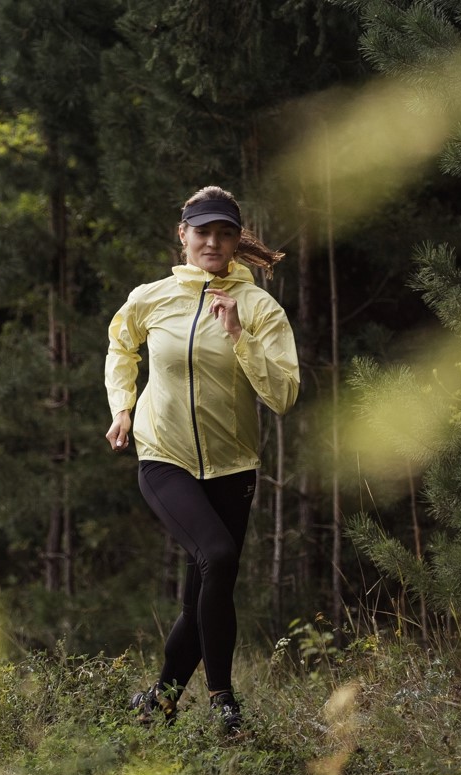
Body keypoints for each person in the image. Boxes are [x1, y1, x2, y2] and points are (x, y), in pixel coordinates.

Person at [103, 185, 300, 735]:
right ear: (183, 235)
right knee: (217, 555)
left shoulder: (260, 307)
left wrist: (239, 335)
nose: (213, 241)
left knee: (204, 587)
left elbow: (283, 395)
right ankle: (223, 700)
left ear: (237, 240)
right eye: (203, 231)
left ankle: (160, 701)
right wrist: (123, 407)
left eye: (225, 232)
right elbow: (122, 347)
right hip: (163, 454)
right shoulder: (151, 297)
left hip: (233, 465)